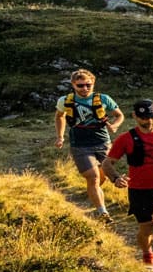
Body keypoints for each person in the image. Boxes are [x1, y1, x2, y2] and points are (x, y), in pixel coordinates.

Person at [102, 99, 153, 264]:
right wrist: (116, 178)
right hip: (139, 189)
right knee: (146, 227)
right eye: (143, 117)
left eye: (152, 117)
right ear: (134, 116)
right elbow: (107, 163)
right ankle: (147, 254)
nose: (148, 120)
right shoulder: (125, 139)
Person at [54, 68, 125, 220]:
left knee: (102, 177)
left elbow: (119, 115)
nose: (85, 88)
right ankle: (102, 212)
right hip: (79, 145)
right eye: (80, 85)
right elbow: (59, 116)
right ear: (73, 85)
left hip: (103, 142)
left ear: (93, 83)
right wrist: (60, 136)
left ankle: (95, 193)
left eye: (88, 85)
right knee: (92, 177)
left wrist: (115, 125)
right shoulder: (65, 101)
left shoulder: (104, 99)